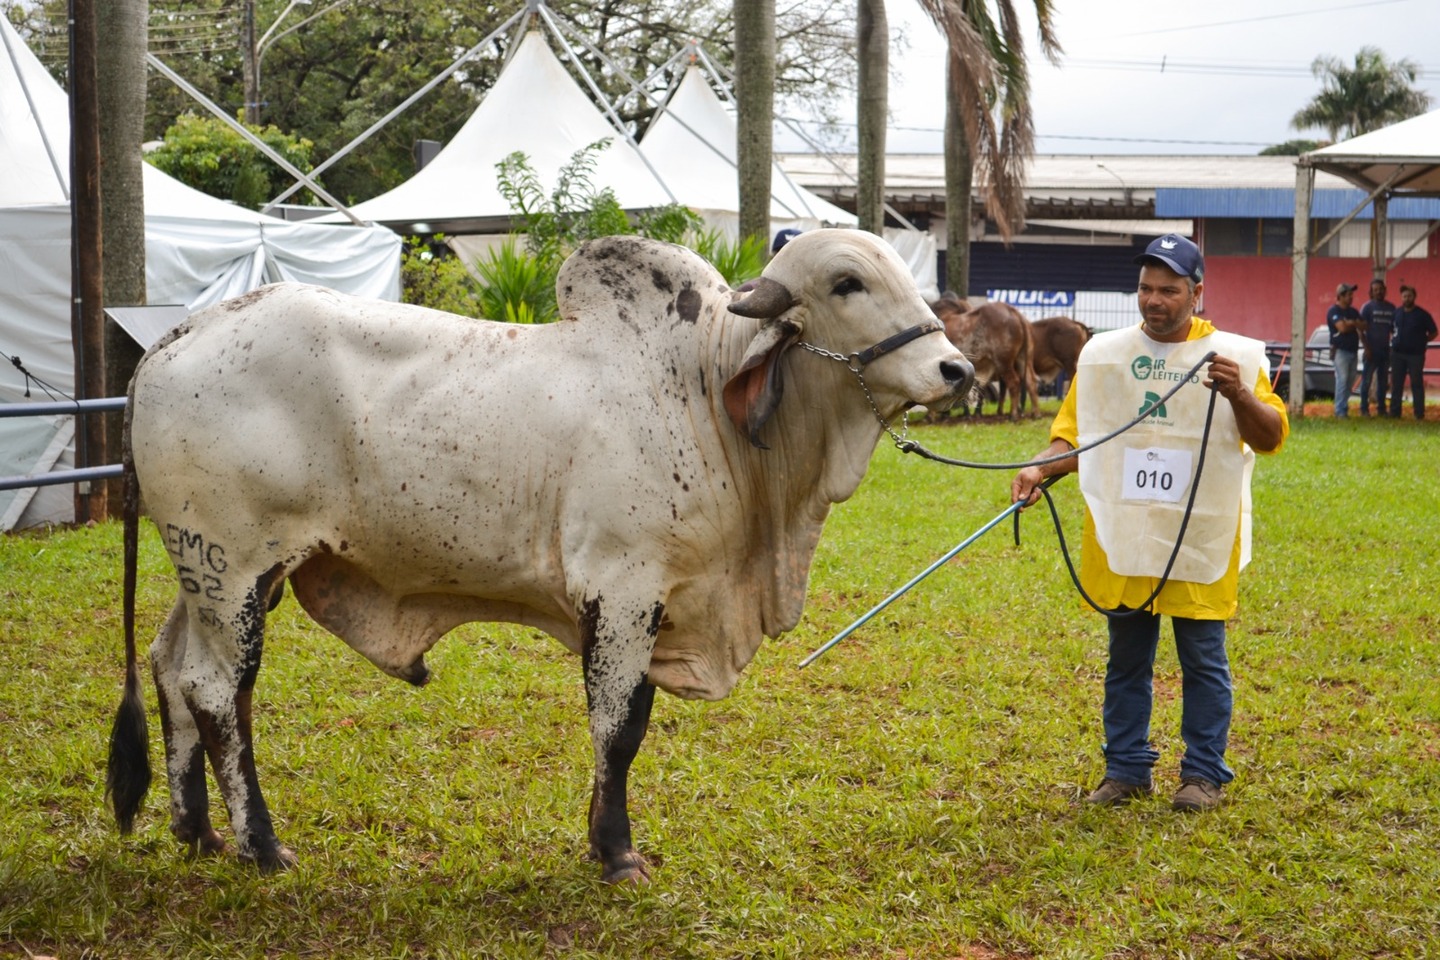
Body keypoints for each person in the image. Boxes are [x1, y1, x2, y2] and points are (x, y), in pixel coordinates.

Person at [1011, 234, 1288, 813]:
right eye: (1145, 288)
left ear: (1196, 292)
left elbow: (1269, 436)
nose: (1153, 301)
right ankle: (1127, 770)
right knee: (1127, 657)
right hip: (1127, 529)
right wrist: (1040, 468)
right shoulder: (1105, 354)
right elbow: (1078, 435)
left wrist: (1238, 393)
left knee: (1202, 658)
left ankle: (1203, 775)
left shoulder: (1238, 355)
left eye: (1168, 290)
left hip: (1200, 532)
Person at [1388, 284, 1437, 420]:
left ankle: (1419, 413)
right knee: (1396, 384)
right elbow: (1392, 329)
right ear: (1401, 298)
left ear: (1414, 297)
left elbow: (1434, 332)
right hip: (1397, 354)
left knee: (1416, 384)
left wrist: (1423, 341)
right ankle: (1395, 413)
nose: (1407, 298)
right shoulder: (1396, 313)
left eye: (1409, 296)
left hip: (1416, 355)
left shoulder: (1422, 314)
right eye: (1404, 296)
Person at [1358, 279, 1396, 416]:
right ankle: (1363, 408)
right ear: (1371, 292)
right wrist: (1366, 348)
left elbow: (1394, 330)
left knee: (1383, 382)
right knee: (1366, 381)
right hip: (1371, 350)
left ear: (1385, 290)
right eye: (1375, 290)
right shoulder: (1367, 308)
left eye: (1381, 289)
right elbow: (1360, 330)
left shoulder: (1392, 308)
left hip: (1385, 350)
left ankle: (1381, 409)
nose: (1379, 291)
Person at [1326, 282, 1362, 417]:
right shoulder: (1333, 311)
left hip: (1353, 350)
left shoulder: (1353, 312)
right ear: (1340, 296)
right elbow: (1342, 328)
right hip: (1340, 351)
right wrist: (1353, 324)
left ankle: (1343, 406)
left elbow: (1364, 325)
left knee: (1350, 380)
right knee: (1342, 379)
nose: (1351, 297)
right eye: (1348, 295)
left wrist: (1351, 323)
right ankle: (1340, 410)